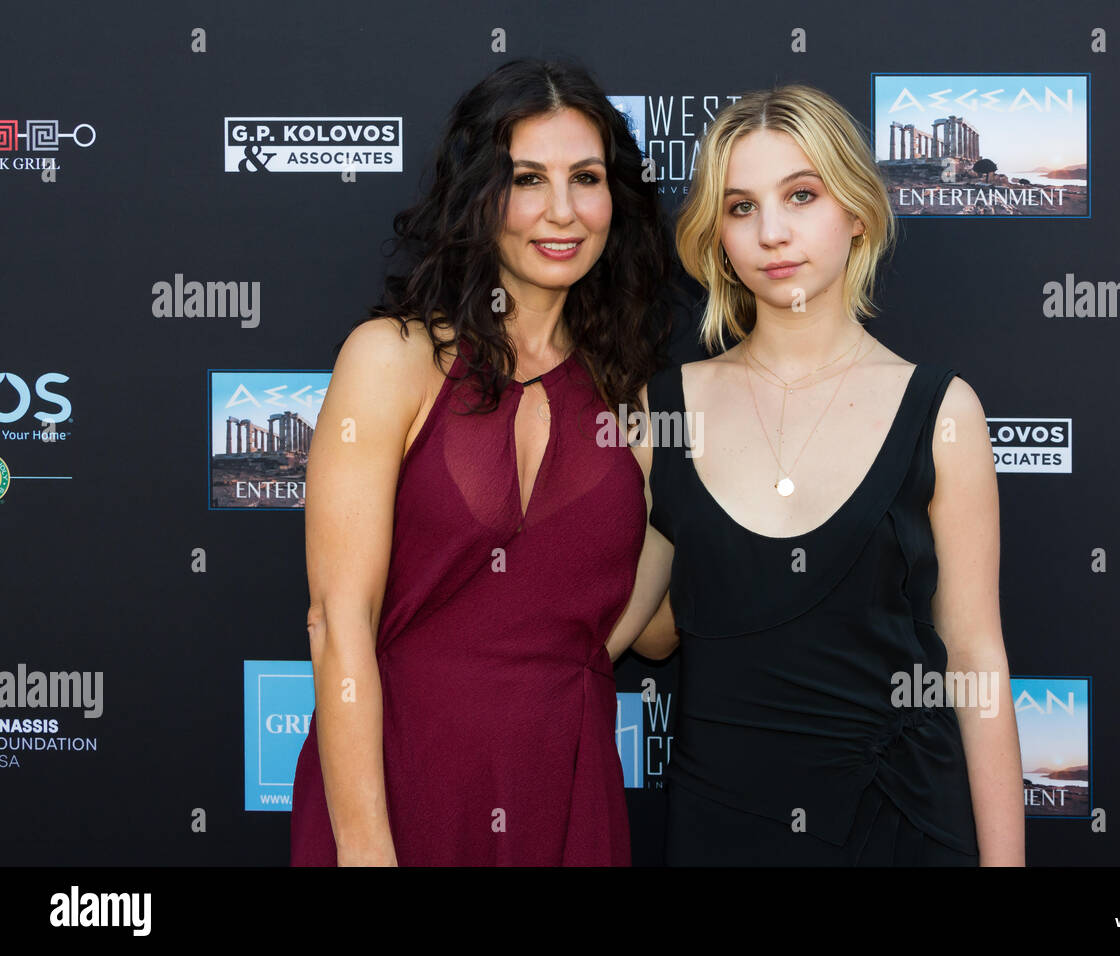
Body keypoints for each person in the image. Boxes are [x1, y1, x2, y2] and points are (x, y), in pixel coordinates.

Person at [603, 84, 1025, 865]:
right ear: (715, 233)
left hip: (902, 823)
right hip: (719, 825)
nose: (772, 232)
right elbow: (628, 630)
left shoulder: (941, 410)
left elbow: (975, 661)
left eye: (801, 194)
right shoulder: (658, 411)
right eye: (740, 207)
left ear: (857, 212)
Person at [289, 57, 674, 866]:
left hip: (566, 786)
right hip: (399, 778)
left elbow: (651, 626)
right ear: (477, 195)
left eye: (587, 177)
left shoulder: (632, 395)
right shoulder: (390, 359)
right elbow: (338, 623)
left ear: (618, 199)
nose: (562, 211)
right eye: (527, 178)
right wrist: (365, 853)